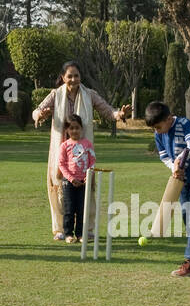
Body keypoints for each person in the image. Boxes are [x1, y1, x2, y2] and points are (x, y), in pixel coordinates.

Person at [33, 61, 129, 241]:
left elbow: (107, 110)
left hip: (83, 153)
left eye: (76, 75)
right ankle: (61, 229)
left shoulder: (89, 94)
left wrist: (119, 115)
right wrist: (40, 115)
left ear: (80, 77)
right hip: (61, 151)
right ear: (63, 78)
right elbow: (36, 110)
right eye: (69, 76)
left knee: (87, 190)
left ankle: (88, 229)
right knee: (59, 188)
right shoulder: (55, 95)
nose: (73, 79)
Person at [145, 101, 190, 277]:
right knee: (186, 215)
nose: (157, 131)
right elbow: (165, 157)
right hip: (181, 181)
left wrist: (180, 158)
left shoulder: (183, 124)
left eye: (159, 127)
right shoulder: (158, 134)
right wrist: (174, 167)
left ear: (168, 118)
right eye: (154, 129)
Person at [57, 114, 95, 243]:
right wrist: (71, 179)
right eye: (71, 128)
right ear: (67, 130)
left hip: (84, 182)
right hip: (69, 183)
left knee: (81, 210)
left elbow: (92, 161)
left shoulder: (87, 144)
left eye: (77, 128)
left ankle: (80, 234)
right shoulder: (64, 146)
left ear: (81, 128)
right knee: (69, 209)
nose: (74, 131)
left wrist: (88, 177)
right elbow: (61, 164)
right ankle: (68, 234)